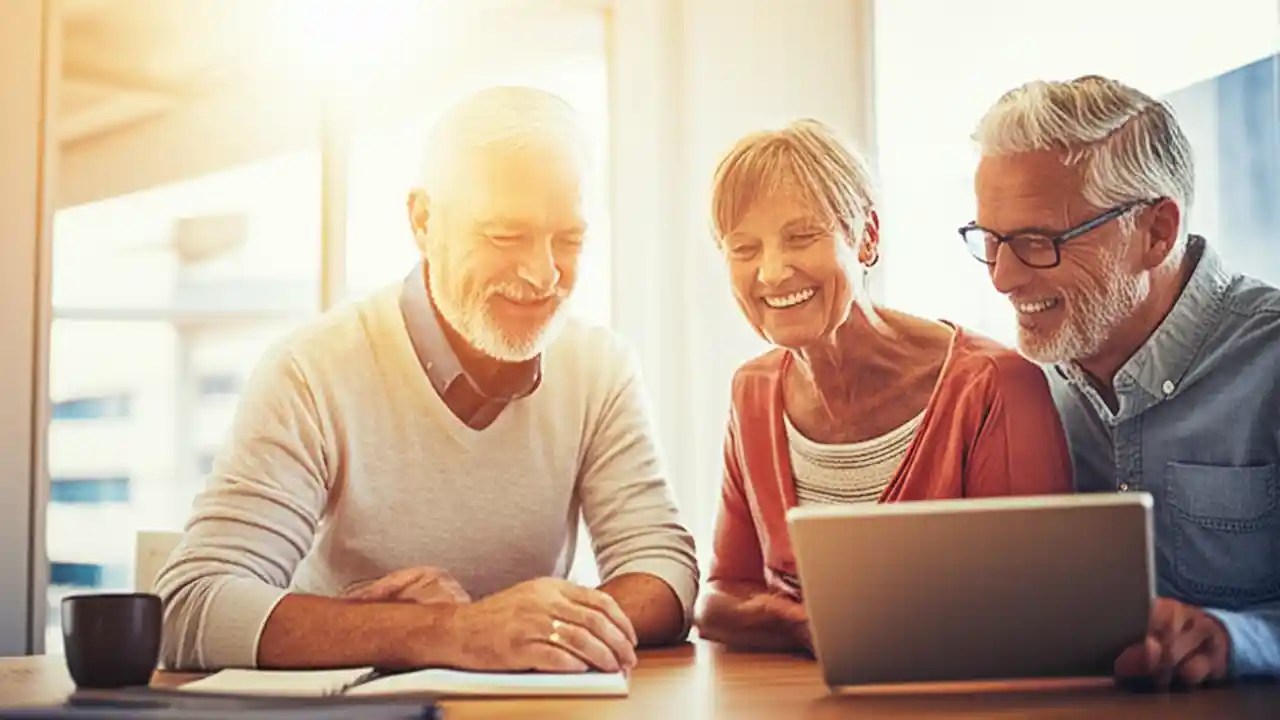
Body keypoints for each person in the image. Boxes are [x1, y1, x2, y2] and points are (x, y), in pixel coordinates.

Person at [154, 86, 698, 672]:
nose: (544, 275)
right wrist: (452, 633)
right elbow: (189, 606)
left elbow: (665, 573)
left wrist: (538, 627)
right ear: (423, 221)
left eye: (569, 240)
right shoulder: (312, 370)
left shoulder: (599, 367)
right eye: (505, 235)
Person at [694, 119, 1073, 652]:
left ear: (866, 237)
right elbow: (720, 599)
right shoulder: (752, 391)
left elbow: (1038, 608)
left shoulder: (994, 385)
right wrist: (803, 626)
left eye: (802, 236)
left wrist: (823, 622)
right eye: (743, 248)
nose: (773, 272)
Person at [969, 74, 1280, 686]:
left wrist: (1233, 638)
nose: (1002, 278)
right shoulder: (1016, 388)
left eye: (1038, 241)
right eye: (990, 240)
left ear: (1157, 231)